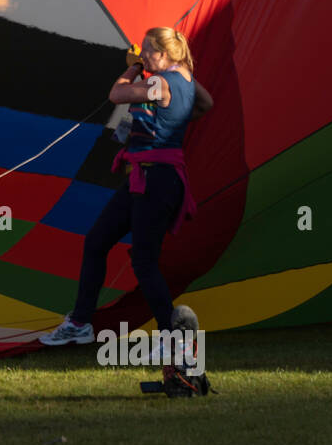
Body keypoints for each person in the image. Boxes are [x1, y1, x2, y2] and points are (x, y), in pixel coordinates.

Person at [40, 27, 213, 349]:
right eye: (142, 52)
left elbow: (117, 95)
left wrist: (132, 68)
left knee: (144, 260)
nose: (144, 55)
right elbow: (206, 103)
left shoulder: (158, 82)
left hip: (156, 179)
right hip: (146, 177)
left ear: (163, 54)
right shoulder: (186, 78)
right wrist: (175, 121)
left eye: (148, 51)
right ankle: (80, 322)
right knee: (97, 241)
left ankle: (172, 335)